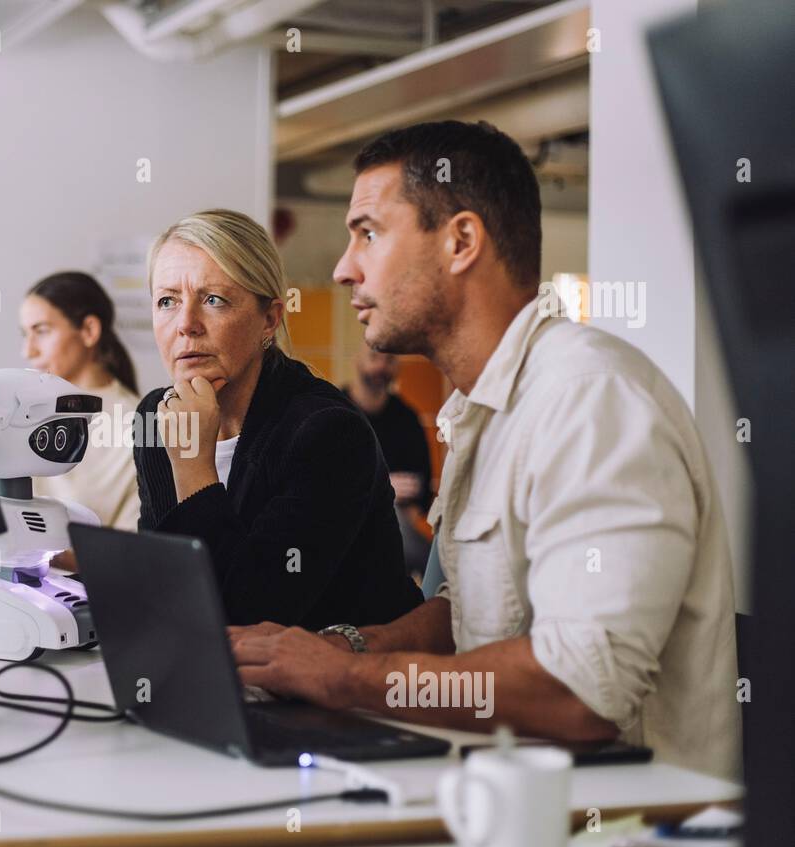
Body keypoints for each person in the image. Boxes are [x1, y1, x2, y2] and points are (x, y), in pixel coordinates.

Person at [229, 120, 741, 780]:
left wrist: (345, 679)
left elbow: (579, 691)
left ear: (461, 241)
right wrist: (337, 648)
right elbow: (468, 616)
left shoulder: (591, 398)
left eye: (369, 233)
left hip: (624, 824)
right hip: (506, 793)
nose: (343, 267)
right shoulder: (484, 409)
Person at [135, 209, 421, 630]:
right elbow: (162, 579)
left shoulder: (327, 432)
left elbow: (248, 618)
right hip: (209, 663)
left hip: (348, 667)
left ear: (269, 319)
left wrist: (193, 467)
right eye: (167, 301)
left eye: (213, 300)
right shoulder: (155, 414)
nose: (186, 325)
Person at [21, 272, 140, 538]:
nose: (28, 351)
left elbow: (131, 548)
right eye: (25, 334)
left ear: (89, 331)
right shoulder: (27, 411)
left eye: (41, 331)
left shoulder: (138, 426)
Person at [344, 340, 432, 574]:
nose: (381, 366)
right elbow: (321, 485)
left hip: (392, 532)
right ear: (357, 360)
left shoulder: (407, 420)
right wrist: (382, 487)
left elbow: (419, 494)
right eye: (374, 357)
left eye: (390, 359)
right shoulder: (333, 412)